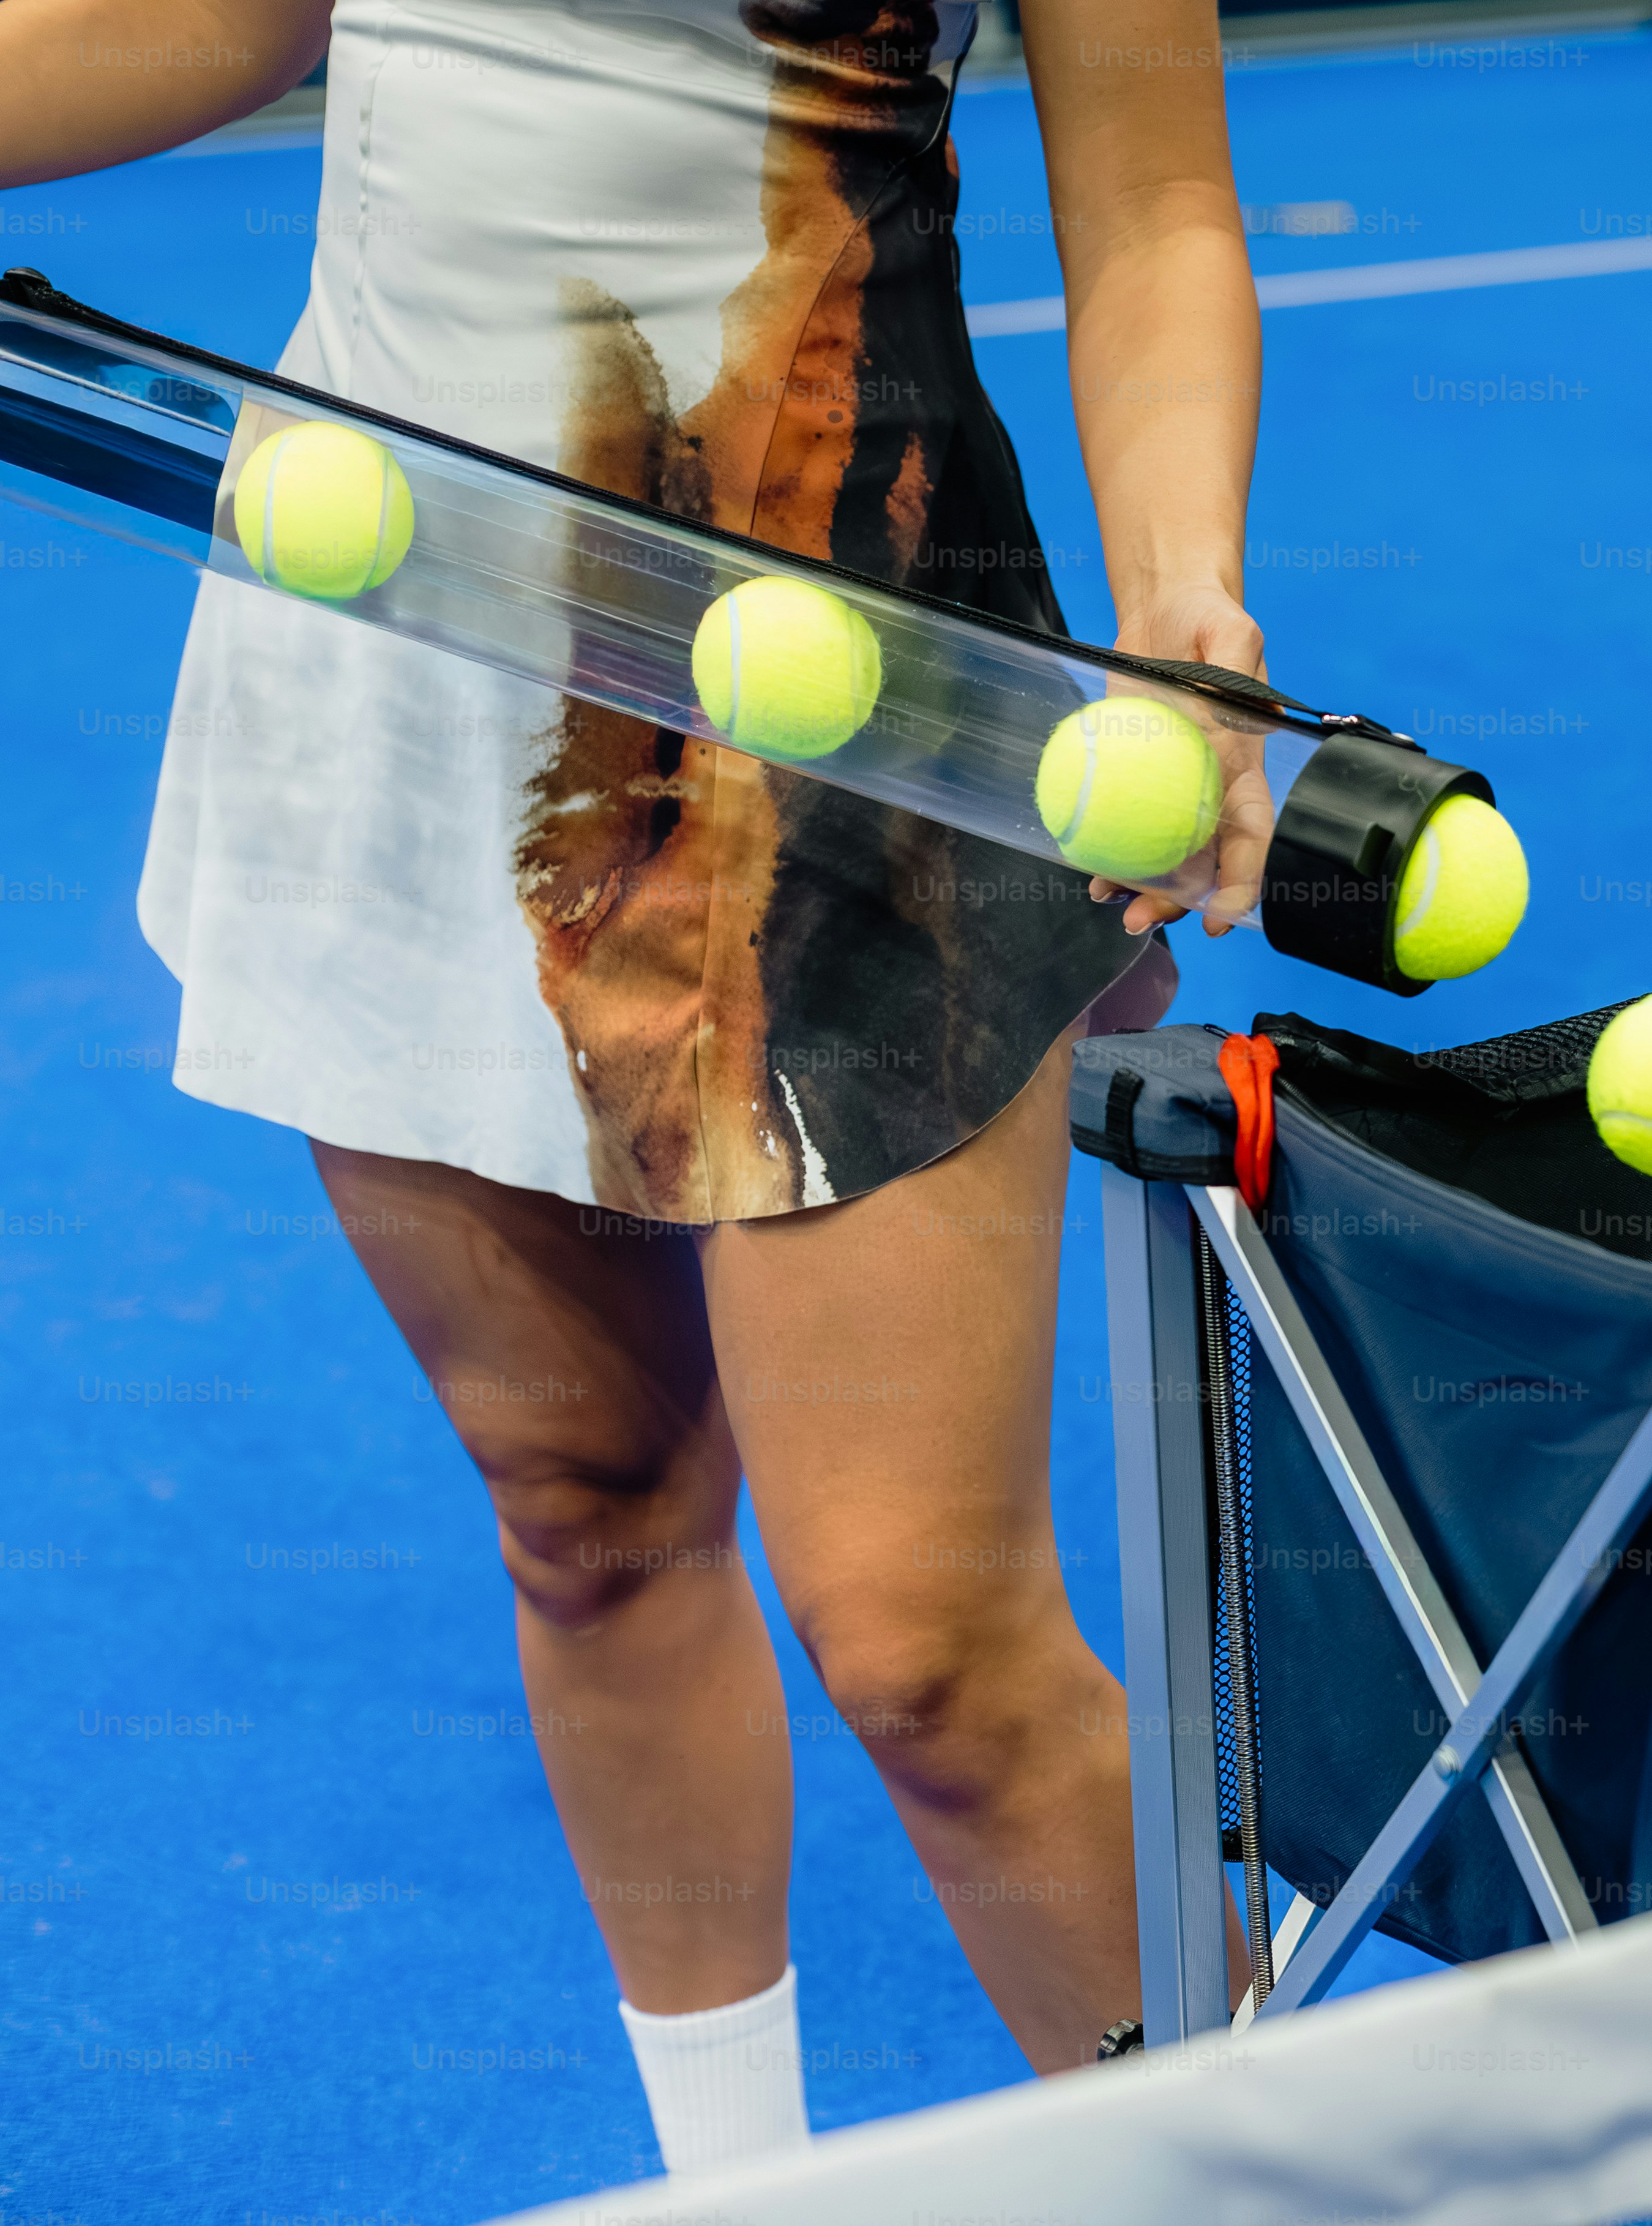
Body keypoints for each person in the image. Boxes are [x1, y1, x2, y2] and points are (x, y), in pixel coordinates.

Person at [0, 0, 1262, 2176]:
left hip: (845, 676)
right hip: (396, 621)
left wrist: (1183, 603)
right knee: (586, 1513)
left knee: (928, 1650)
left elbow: (1152, 200)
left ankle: (1357, 2182)